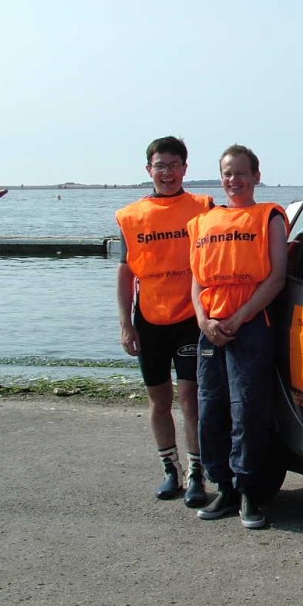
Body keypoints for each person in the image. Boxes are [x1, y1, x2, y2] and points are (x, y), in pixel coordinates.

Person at [187, 144, 288, 529]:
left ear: (256, 176)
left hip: (251, 325)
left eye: (241, 172)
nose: (234, 180)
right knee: (211, 407)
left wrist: (240, 317)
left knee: (248, 409)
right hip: (211, 328)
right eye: (227, 173)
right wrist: (203, 321)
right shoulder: (201, 223)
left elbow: (276, 277)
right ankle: (223, 488)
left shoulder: (269, 217)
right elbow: (196, 281)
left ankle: (250, 492)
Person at [115, 136, 214, 506]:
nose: (167, 172)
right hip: (150, 318)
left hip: (191, 316)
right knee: (158, 400)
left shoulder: (203, 207)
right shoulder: (131, 216)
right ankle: (169, 469)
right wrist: (126, 323)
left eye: (174, 165)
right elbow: (125, 273)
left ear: (185, 169)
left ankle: (196, 474)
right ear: (149, 170)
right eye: (160, 165)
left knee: (191, 399)